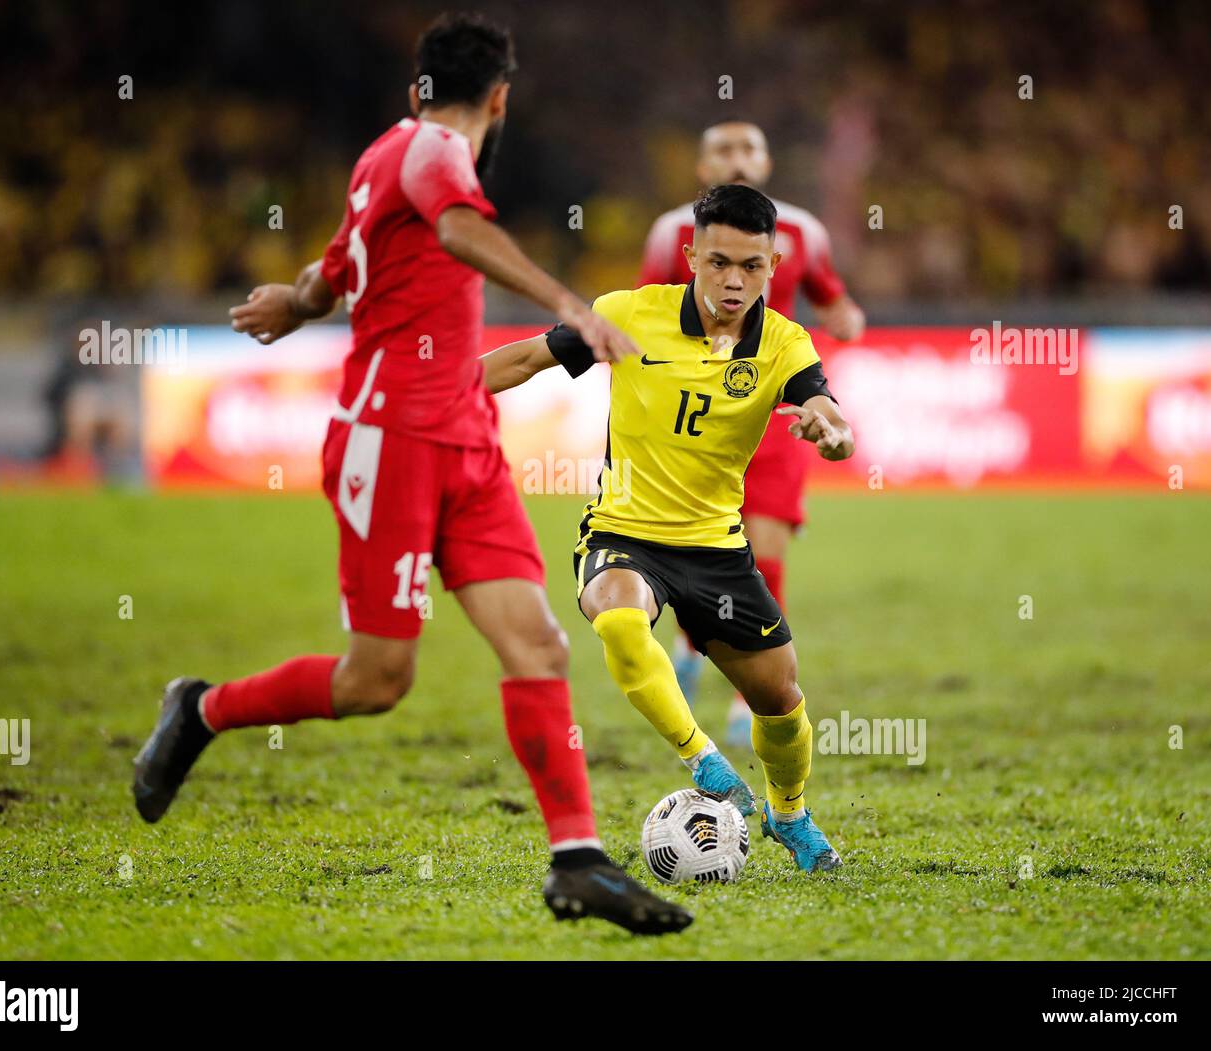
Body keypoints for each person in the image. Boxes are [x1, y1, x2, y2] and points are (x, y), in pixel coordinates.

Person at [133, 12, 690, 936]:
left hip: (464, 440)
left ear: (415, 88)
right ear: (500, 98)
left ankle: (578, 859)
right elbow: (460, 227)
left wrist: (294, 301)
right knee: (375, 680)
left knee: (538, 643)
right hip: (388, 442)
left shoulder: (380, 156)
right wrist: (567, 304)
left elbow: (340, 266)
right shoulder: (436, 155)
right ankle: (202, 708)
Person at [483, 185, 851, 872]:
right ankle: (703, 759)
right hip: (623, 533)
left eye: (751, 264)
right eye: (718, 263)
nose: (734, 280)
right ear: (690, 257)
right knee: (620, 618)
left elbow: (826, 408)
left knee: (781, 698)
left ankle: (788, 810)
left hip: (715, 548)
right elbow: (527, 358)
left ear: (774, 263)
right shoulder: (628, 314)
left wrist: (831, 433)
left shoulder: (783, 343)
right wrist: (439, 397)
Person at [640, 122, 865, 745]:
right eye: (722, 149)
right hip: (697, 419)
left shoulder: (802, 232)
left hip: (775, 417)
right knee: (699, 550)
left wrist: (845, 319)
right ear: (700, 163)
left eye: (747, 149)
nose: (736, 159)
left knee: (763, 552)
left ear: (766, 161)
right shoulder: (670, 232)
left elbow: (831, 298)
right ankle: (690, 646)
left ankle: (748, 697)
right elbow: (644, 315)